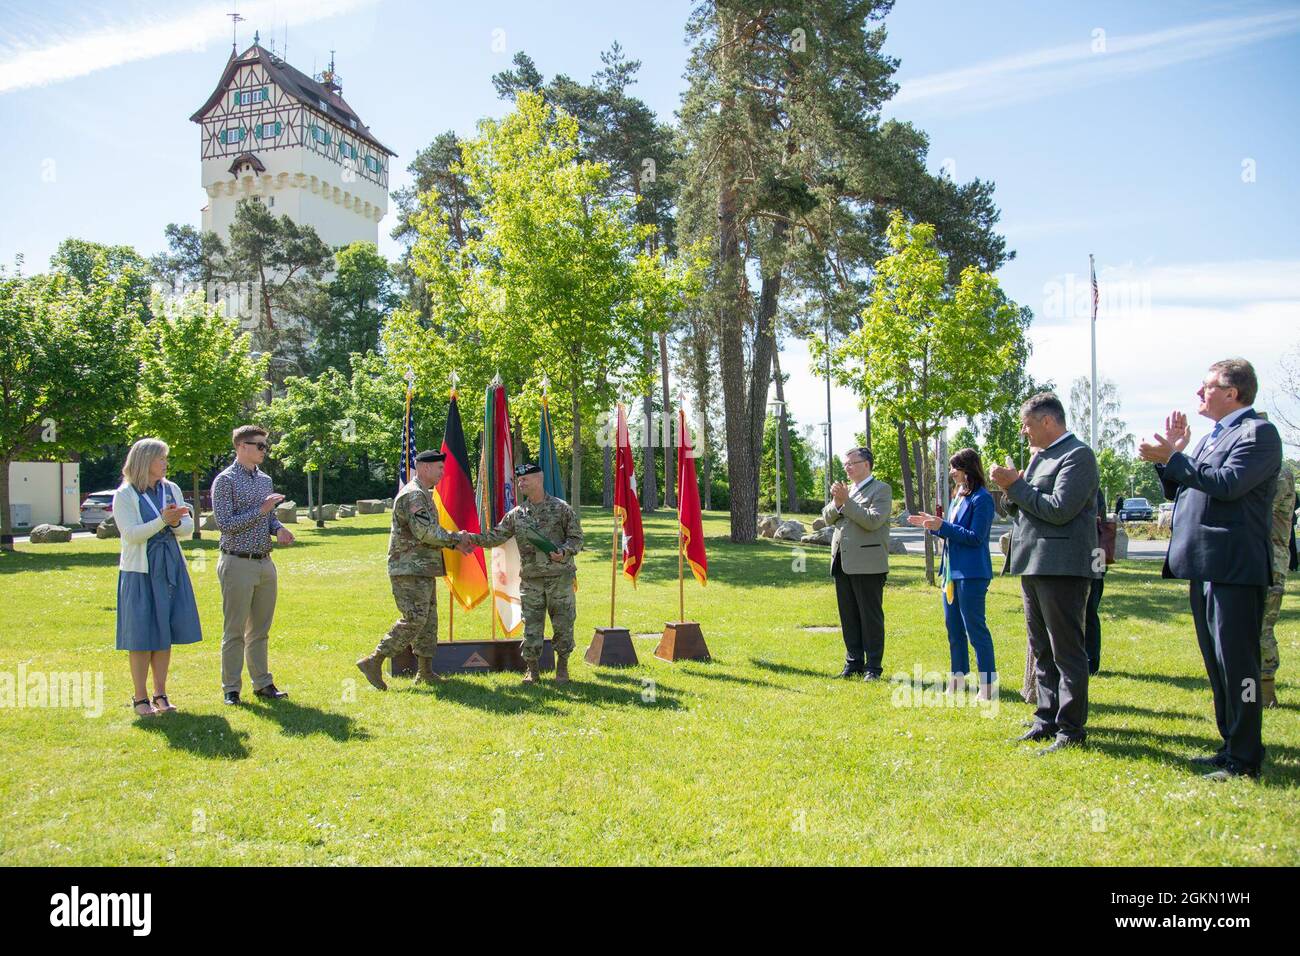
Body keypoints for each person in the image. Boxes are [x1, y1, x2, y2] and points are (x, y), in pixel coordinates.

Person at [1140, 359, 1282, 779]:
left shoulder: (1258, 433)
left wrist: (1176, 457)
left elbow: (1227, 484)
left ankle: (1245, 757)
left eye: (1205, 387)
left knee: (1239, 666)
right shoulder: (1211, 437)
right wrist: (1171, 457)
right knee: (1217, 662)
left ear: (1232, 392)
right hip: (1206, 566)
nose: (1198, 395)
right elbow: (1183, 486)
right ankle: (1229, 744)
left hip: (1235, 568)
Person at [990, 393, 1100, 755]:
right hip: (1034, 562)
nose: (1024, 432)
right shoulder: (1040, 457)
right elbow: (1021, 508)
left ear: (1049, 421)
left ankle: (1071, 728)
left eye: (1028, 424)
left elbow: (1059, 510)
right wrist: (1010, 488)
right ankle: (1046, 717)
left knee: (1066, 650)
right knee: (1041, 649)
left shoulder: (1077, 455)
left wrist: (1017, 486)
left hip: (1062, 566)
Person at [461, 463, 583, 685]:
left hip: (559, 578)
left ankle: (562, 668)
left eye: (524, 479)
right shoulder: (516, 515)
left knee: (564, 625)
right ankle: (532, 670)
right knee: (532, 626)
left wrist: (564, 552)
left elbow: (576, 538)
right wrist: (470, 538)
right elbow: (495, 537)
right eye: (519, 480)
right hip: (531, 581)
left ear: (539, 478)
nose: (520, 483)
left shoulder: (561, 508)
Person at [355, 450, 467, 690]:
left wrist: (454, 540)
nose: (442, 472)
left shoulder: (423, 494)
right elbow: (425, 532)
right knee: (414, 619)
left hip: (422, 567)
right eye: (439, 468)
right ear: (425, 468)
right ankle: (374, 660)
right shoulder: (414, 496)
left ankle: (425, 672)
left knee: (428, 620)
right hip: (409, 568)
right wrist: (456, 539)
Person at [114, 438, 202, 717]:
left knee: (164, 632)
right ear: (145, 461)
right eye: (161, 458)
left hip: (170, 568)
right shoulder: (125, 495)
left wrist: (175, 521)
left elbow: (187, 526)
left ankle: (160, 693)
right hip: (140, 571)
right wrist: (163, 521)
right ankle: (140, 697)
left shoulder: (170, 489)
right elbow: (131, 534)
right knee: (141, 634)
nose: (165, 463)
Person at [212, 425, 295, 705]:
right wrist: (261, 510)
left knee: (260, 630)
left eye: (265, 446)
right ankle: (231, 689)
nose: (264, 451)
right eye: (259, 446)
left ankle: (263, 684)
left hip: (264, 562)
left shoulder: (264, 480)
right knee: (235, 629)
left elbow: (267, 518)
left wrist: (279, 528)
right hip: (237, 561)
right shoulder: (225, 481)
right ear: (241, 446)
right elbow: (225, 524)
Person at [908, 448, 996, 699]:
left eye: (955, 468)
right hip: (950, 574)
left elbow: (976, 537)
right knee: (954, 629)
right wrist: (934, 526)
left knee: (975, 629)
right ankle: (958, 679)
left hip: (971, 574)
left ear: (968, 469)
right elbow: (952, 531)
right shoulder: (958, 496)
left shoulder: (983, 499)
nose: (952, 473)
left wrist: (943, 526)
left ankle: (987, 686)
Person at [823, 447, 893, 681]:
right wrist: (838, 502)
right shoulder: (847, 490)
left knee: (869, 617)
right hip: (842, 562)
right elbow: (827, 516)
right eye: (846, 464)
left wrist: (846, 502)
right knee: (849, 616)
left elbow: (873, 521)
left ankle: (873, 667)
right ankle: (853, 663)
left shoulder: (881, 490)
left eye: (852, 463)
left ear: (867, 464)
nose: (848, 467)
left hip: (868, 564)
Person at [1256, 414, 1295, 709]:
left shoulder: (1277, 472)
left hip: (1271, 560)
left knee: (1263, 626)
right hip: (1259, 557)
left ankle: (1266, 691)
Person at [1086, 487, 1109, 675]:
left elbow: (1100, 525)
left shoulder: (1093, 490)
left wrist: (1099, 568)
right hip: (1092, 556)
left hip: (1094, 557)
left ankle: (1091, 660)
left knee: (1089, 611)